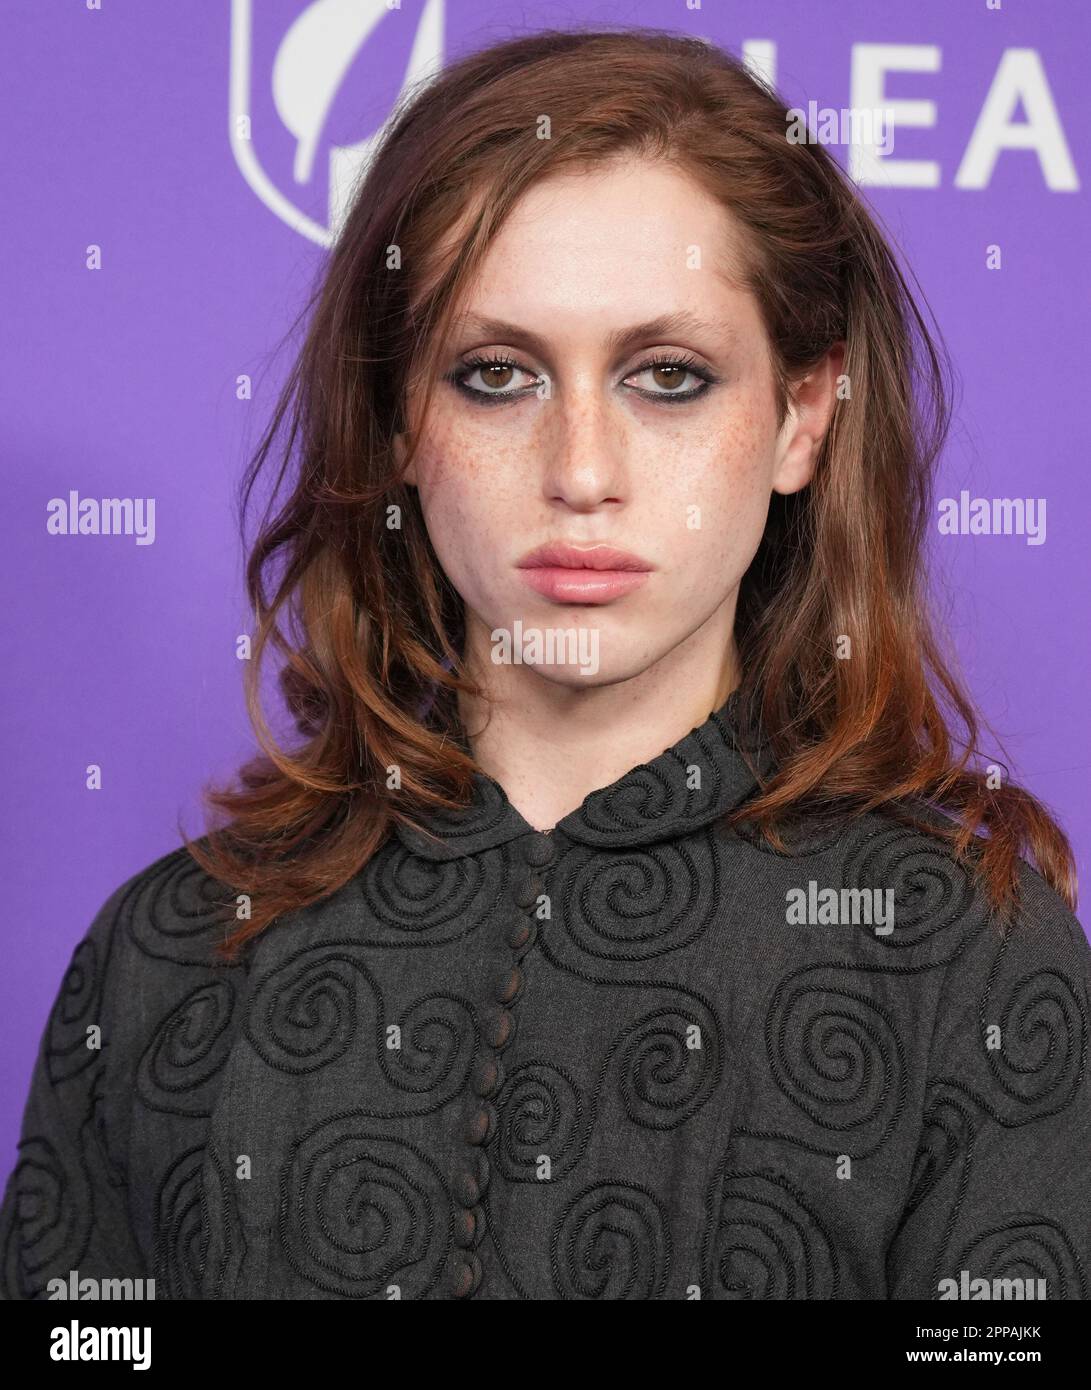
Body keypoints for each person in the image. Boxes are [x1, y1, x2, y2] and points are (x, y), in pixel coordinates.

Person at [2, 27, 1089, 1302]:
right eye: (496, 375)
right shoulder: (169, 950)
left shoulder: (966, 956)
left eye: (668, 377)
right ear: (401, 414)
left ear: (801, 416)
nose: (581, 471)